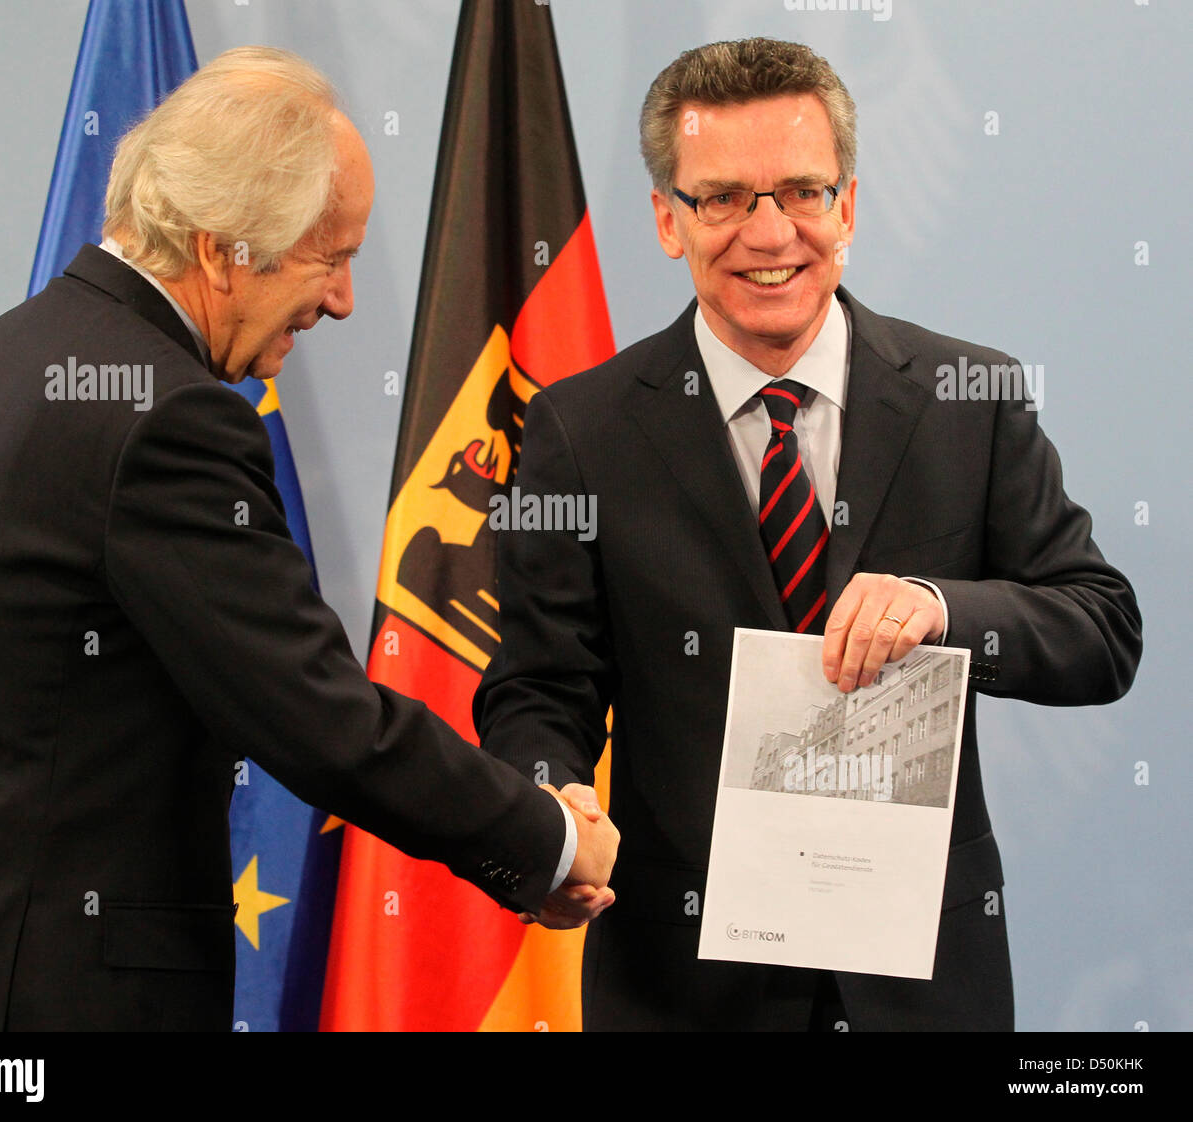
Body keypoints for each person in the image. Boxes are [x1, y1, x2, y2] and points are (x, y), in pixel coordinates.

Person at [0, 47, 615, 1032]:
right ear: (221, 245)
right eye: (331, 256)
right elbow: (321, 719)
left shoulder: (10, 352)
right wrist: (545, 840)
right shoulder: (165, 417)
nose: (343, 300)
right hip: (69, 997)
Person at [474, 37, 1141, 1031]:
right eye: (724, 199)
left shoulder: (970, 398)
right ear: (666, 219)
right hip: (682, 985)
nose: (769, 232)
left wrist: (938, 610)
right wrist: (554, 793)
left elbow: (1100, 630)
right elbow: (539, 684)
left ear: (850, 206)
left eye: (801, 192)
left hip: (922, 984)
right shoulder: (582, 428)